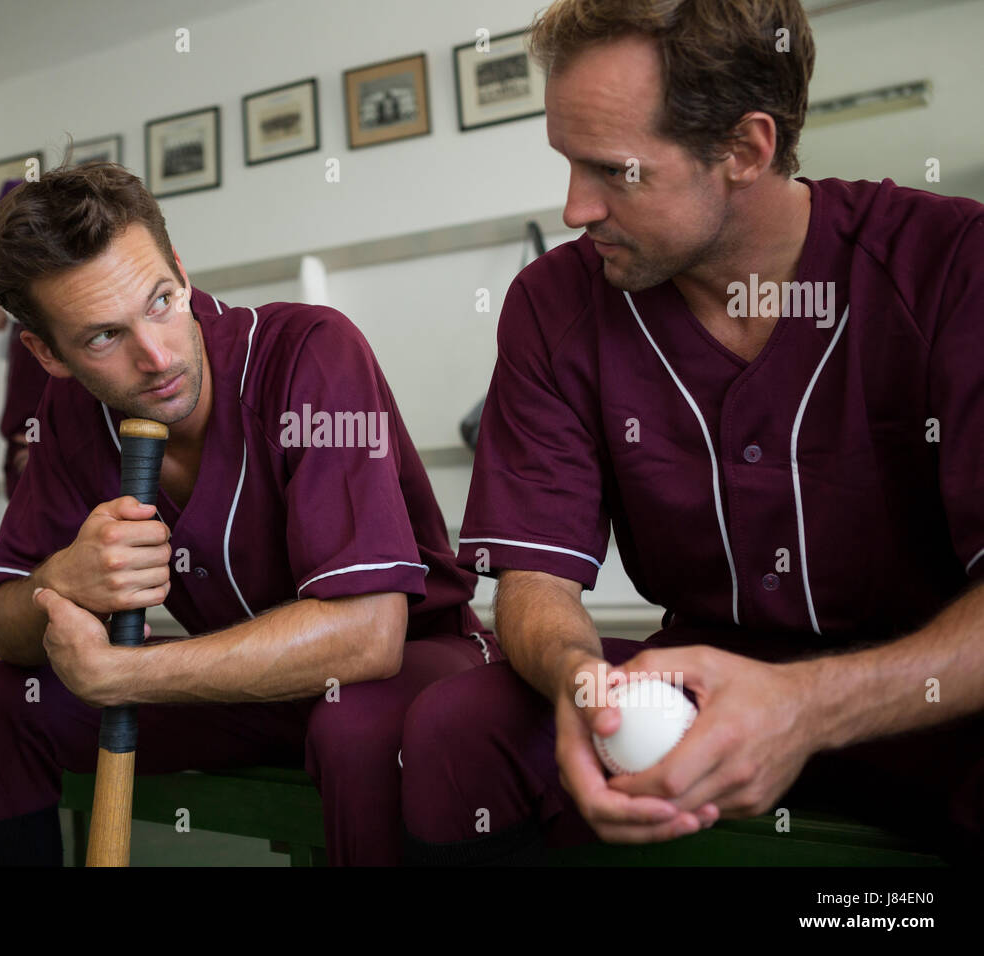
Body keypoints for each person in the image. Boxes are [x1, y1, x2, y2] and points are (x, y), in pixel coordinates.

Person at [400, 0, 984, 864]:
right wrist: (580, 684)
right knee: (461, 726)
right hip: (691, 684)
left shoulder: (951, 265)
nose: (573, 208)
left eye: (614, 172)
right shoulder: (554, 306)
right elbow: (534, 579)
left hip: (926, 694)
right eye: (566, 162)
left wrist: (808, 706)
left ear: (746, 149)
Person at [0, 162, 497, 866]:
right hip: (239, 686)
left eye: (160, 301)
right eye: (102, 338)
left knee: (350, 728)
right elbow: (8, 621)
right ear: (47, 354)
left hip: (406, 672)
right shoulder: (69, 413)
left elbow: (369, 637)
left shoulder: (310, 352)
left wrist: (124, 675)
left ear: (180, 267)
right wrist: (65, 578)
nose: (155, 354)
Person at [0, 180, 51, 499]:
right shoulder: (21, 305)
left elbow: (55, 385)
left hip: (34, 450)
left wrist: (42, 447)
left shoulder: (44, 314)